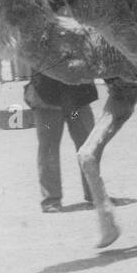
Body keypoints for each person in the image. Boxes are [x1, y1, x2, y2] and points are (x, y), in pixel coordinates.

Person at [24, 72, 97, 213]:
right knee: (49, 148)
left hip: (77, 100)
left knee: (88, 143)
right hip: (47, 98)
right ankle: (51, 199)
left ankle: (95, 193)